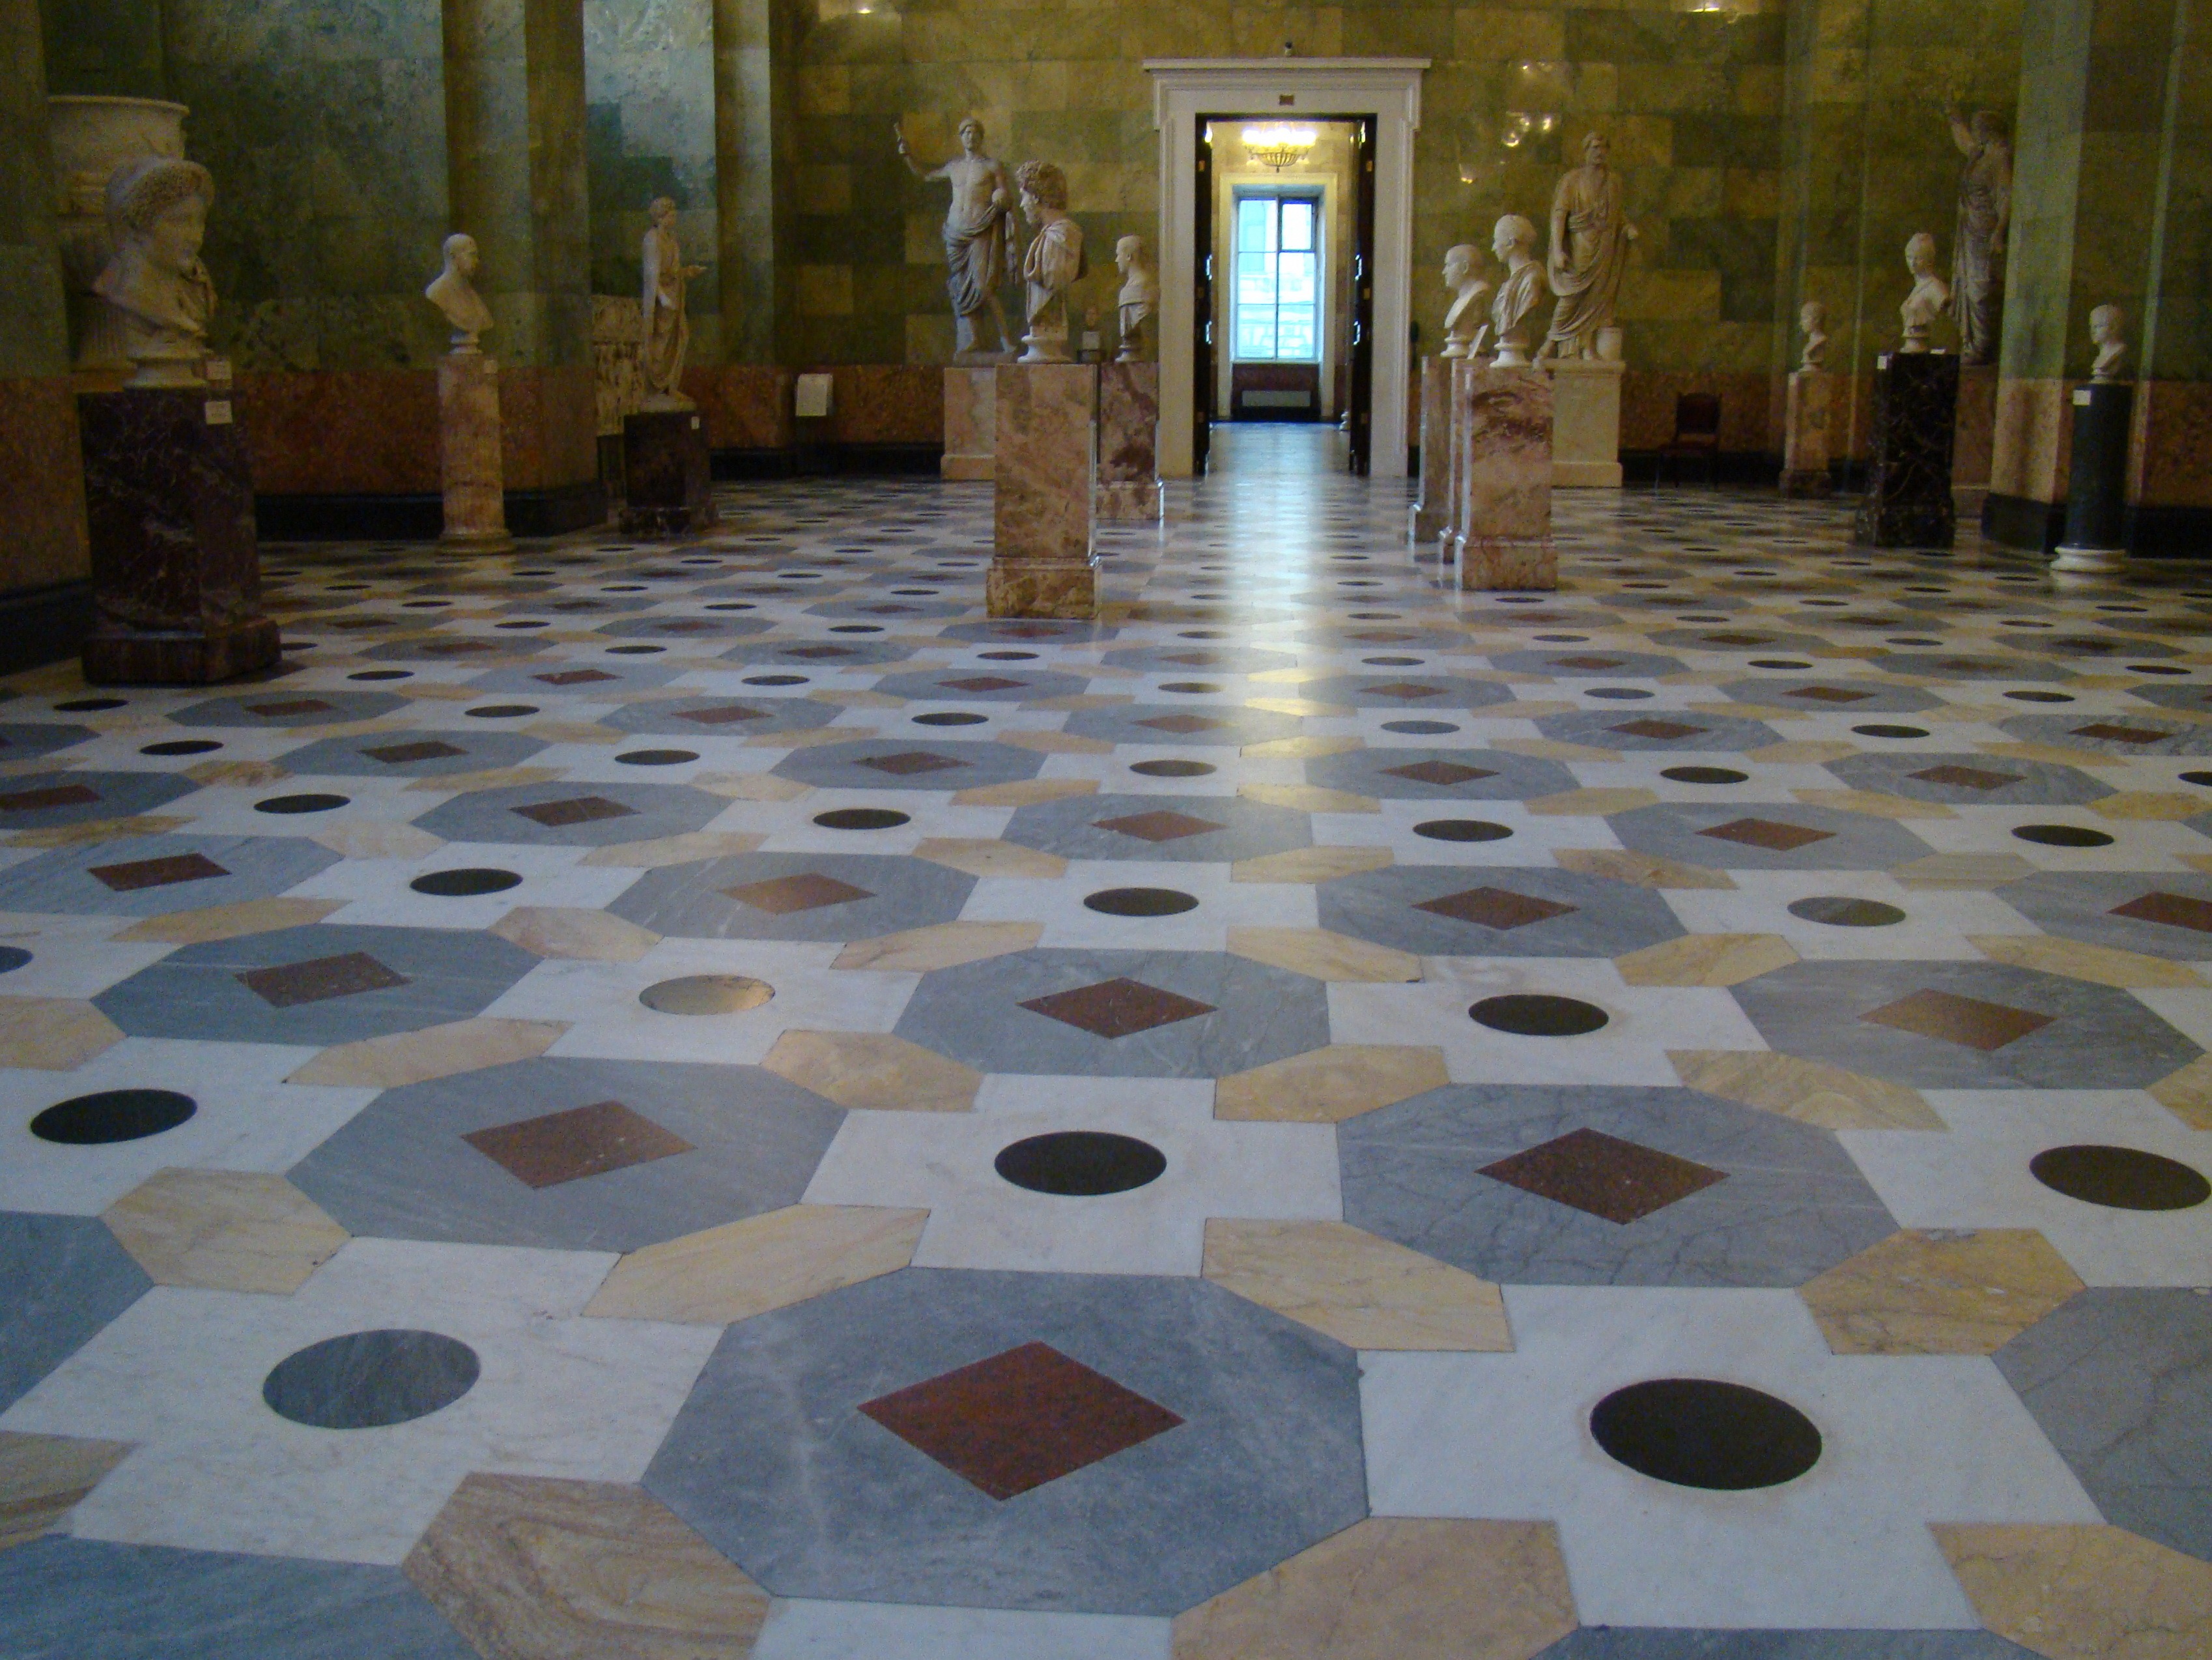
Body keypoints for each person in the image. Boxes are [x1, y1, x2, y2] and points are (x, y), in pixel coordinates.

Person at [897, 117, 1017, 358]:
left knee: (984, 286)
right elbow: (925, 175)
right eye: (966, 132)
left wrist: (1002, 197)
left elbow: (1005, 195)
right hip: (955, 232)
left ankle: (1007, 341)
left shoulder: (992, 166)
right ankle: (974, 338)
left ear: (981, 137)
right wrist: (908, 156)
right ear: (961, 137)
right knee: (961, 286)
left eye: (975, 132)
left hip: (980, 228)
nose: (970, 136)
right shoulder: (954, 166)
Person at [94, 155, 217, 389]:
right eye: (179, 221)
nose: (194, 237)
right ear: (139, 227)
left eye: (199, 222)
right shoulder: (122, 291)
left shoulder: (197, 292)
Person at [1541, 132, 1636, 360]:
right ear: (1585, 152)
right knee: (1571, 296)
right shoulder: (1571, 180)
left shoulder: (1613, 181)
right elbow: (1559, 215)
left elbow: (1616, 212)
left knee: (1597, 299)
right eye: (1594, 148)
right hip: (1580, 246)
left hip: (1604, 248)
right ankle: (1551, 342)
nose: (1599, 152)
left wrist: (1628, 227)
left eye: (1603, 148)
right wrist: (1557, 250)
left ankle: (1586, 346)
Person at [1944, 106, 2012, 365]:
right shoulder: (1980, 155)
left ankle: (1983, 345)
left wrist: (1999, 231)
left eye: (1978, 129)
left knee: (1981, 286)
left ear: (1989, 130)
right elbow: (1965, 143)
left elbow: (2006, 195)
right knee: (1969, 282)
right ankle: (1971, 342)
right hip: (1970, 228)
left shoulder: (1999, 156)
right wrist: (1954, 118)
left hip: (1985, 228)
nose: (1975, 134)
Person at [1014, 160, 1084, 364]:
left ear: (1036, 197)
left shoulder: (1059, 239)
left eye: (1023, 196)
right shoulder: (1050, 238)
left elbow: (1054, 279)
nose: (1022, 204)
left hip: (1048, 335)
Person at [640, 197, 704, 409]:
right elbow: (652, 276)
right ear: (661, 216)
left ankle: (670, 386)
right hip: (662, 302)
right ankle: (655, 388)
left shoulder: (671, 240)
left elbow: (672, 271)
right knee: (661, 341)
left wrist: (687, 272)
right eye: (671, 213)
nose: (674, 217)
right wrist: (662, 297)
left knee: (680, 338)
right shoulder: (652, 239)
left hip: (675, 297)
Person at [1489, 215, 1544, 368]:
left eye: (1496, 240)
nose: (1493, 248)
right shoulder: (1511, 283)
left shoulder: (1531, 280)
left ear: (1510, 242)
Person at [424, 233, 494, 352]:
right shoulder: (436, 292)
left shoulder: (471, 293)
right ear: (454, 257)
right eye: (472, 255)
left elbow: (486, 321)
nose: (477, 261)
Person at [1439, 244, 1491, 359]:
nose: (1444, 271)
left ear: (1465, 267)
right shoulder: (1462, 299)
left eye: (1448, 265)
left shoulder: (1477, 294)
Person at [1114, 235, 1157, 362]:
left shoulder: (1142, 285)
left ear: (1129, 256)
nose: (1117, 260)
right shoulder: (1130, 286)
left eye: (1118, 254)